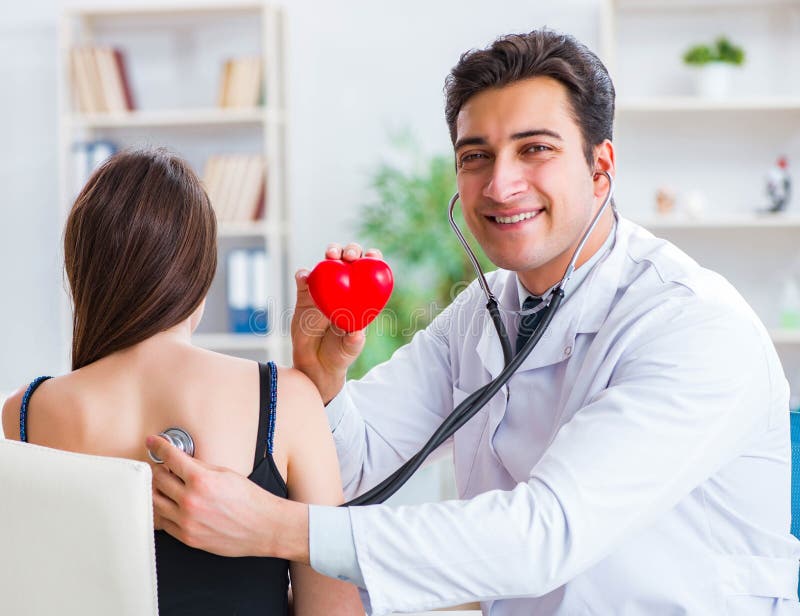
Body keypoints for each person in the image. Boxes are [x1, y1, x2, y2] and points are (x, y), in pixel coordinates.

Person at [146, 30, 800, 615]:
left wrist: (272, 528)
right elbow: (358, 464)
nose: (500, 184)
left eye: (534, 149)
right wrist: (325, 385)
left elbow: (545, 534)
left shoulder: (692, 326)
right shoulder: (483, 311)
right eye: (476, 156)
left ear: (601, 168)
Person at [1, 148, 362, 616]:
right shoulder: (287, 400)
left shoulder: (25, 414)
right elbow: (333, 611)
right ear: (201, 280)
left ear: (82, 276)